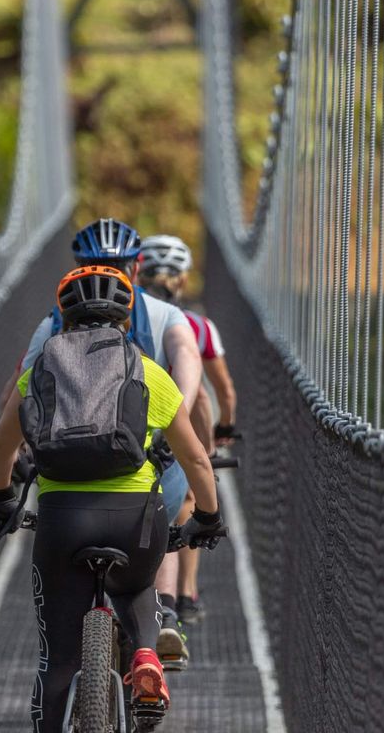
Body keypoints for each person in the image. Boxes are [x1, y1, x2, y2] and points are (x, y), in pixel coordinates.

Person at [0, 265, 226, 732]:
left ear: (64, 317)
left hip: (62, 524)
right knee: (138, 587)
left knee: (56, 662)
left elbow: (1, 448)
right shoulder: (149, 372)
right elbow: (196, 457)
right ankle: (146, 656)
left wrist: (0, 498)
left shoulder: (38, 371)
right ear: (125, 319)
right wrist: (209, 518)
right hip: (135, 522)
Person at [0, 219, 203, 661]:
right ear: (137, 267)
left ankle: (68, 675)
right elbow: (188, 373)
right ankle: (162, 622)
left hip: (63, 490)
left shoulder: (50, 325)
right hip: (145, 473)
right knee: (162, 519)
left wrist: (10, 466)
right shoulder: (168, 321)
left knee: (59, 632)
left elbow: (12, 398)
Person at [138, 234, 239, 624]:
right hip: (180, 437)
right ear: (181, 279)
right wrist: (221, 431)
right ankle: (185, 597)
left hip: (126, 434)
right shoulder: (197, 326)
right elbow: (218, 393)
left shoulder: (127, 316)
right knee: (189, 506)